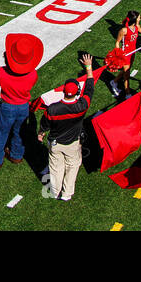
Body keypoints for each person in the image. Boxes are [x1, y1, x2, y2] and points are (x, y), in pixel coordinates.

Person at [38, 53, 96, 201]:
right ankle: (67, 193)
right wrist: (89, 68)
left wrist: (41, 133)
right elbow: (89, 88)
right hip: (72, 143)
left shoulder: (52, 109)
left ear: (63, 91)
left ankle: (56, 191)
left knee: (56, 168)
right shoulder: (82, 106)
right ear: (77, 92)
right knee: (73, 166)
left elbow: (44, 125)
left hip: (55, 143)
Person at [0, 34, 41, 170]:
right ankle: (16, 156)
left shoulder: (2, 72)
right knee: (20, 133)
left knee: (0, 133)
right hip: (23, 107)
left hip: (7, 106)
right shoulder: (33, 74)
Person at [104, 10, 141, 99]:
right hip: (125, 54)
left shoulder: (137, 27)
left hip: (133, 53)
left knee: (126, 71)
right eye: (139, 17)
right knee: (127, 74)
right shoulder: (124, 30)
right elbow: (117, 42)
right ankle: (127, 92)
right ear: (135, 19)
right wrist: (118, 54)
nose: (140, 18)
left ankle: (114, 82)